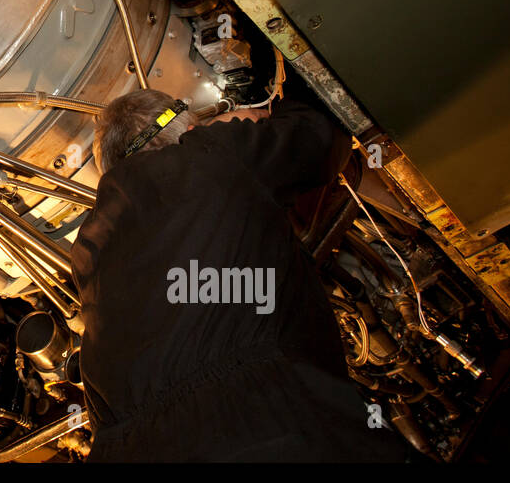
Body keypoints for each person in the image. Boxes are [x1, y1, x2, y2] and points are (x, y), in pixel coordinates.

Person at [71, 88, 409, 461]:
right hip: (260, 423)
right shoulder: (204, 155)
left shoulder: (89, 253)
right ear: (183, 126)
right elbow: (319, 136)